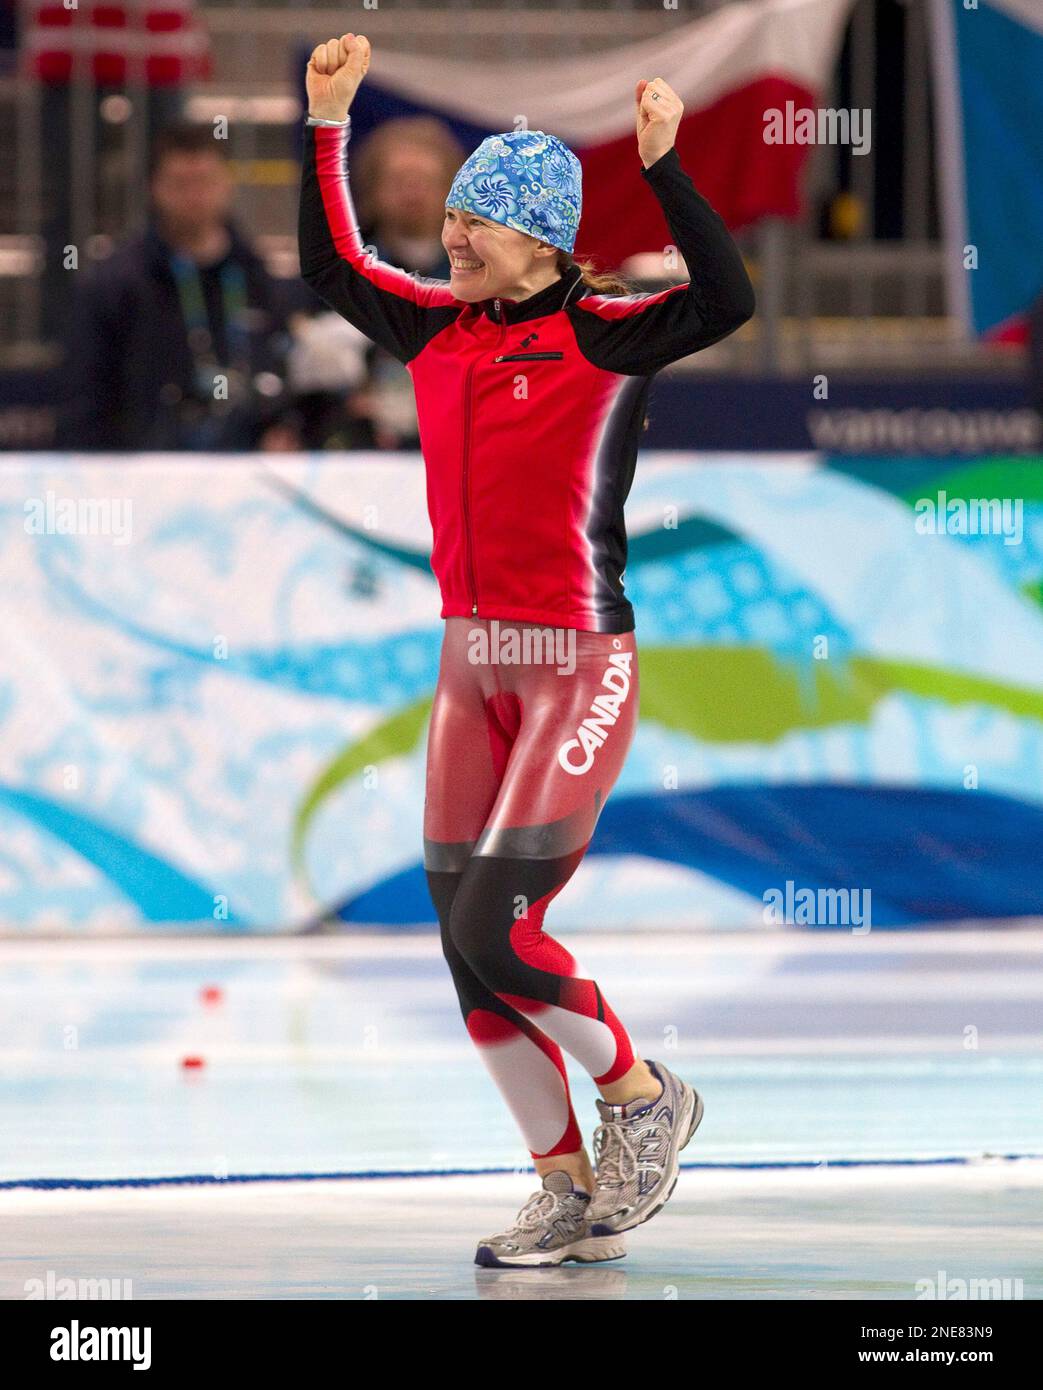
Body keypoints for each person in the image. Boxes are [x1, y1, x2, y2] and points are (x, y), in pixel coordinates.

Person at [300, 33, 755, 1267]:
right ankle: (562, 1186)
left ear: (546, 241)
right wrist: (328, 124)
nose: (452, 240)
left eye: (479, 225)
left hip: (575, 664)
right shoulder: (434, 328)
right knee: (464, 944)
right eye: (450, 219)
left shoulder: (607, 336)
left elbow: (729, 299)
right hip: (470, 669)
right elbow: (328, 261)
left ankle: (642, 1092)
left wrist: (663, 169)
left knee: (503, 930)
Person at [56, 122, 297, 451]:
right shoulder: (115, 285)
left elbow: (285, 374)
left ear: (228, 184)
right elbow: (85, 397)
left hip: (248, 473)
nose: (195, 196)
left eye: (206, 182)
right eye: (181, 184)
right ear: (154, 188)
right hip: (143, 472)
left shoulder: (259, 279)